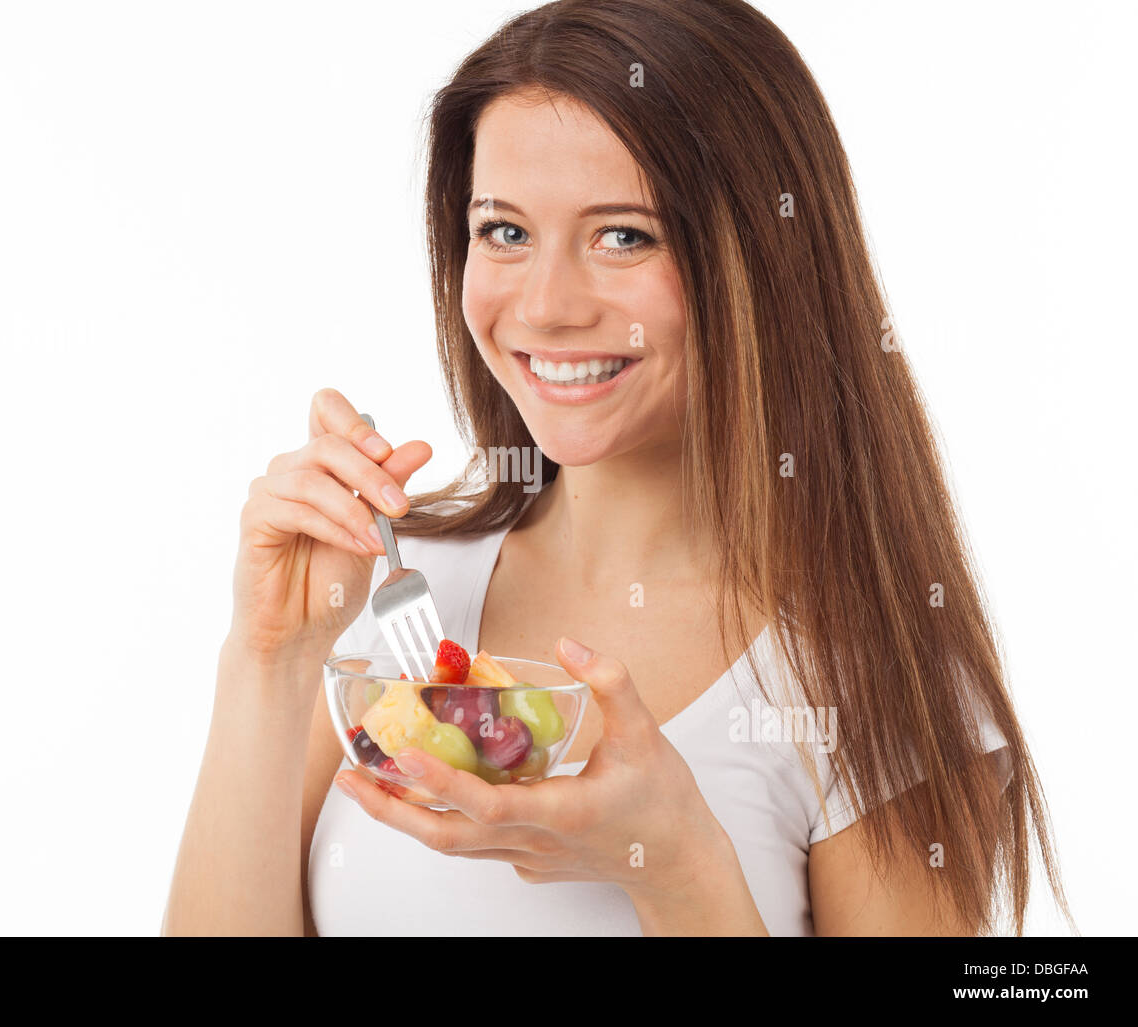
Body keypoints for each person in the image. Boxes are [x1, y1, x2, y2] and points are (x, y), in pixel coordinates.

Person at [162, 0, 1073, 936]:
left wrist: (676, 868)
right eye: (504, 231)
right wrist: (268, 659)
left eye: (624, 235)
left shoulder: (876, 677)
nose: (547, 306)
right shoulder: (399, 595)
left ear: (767, 256)